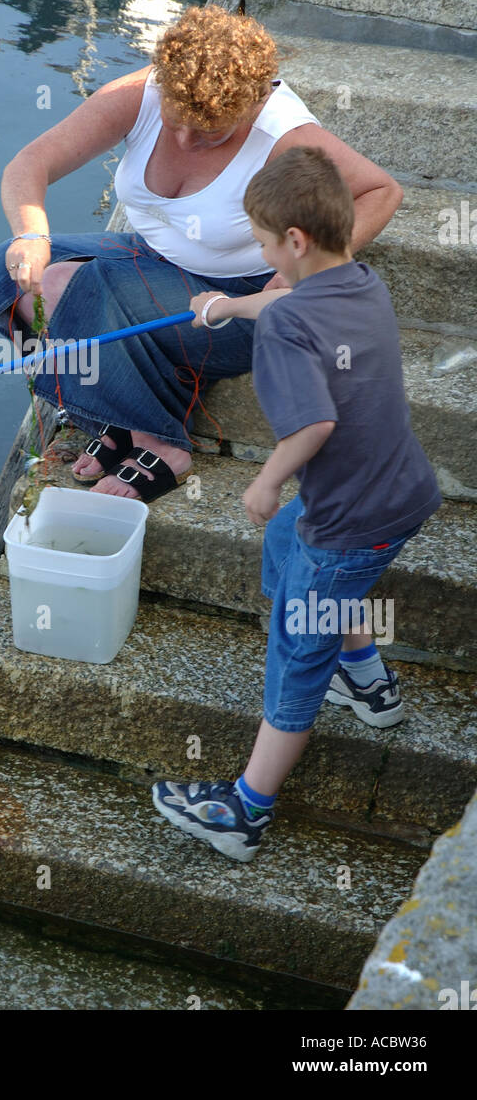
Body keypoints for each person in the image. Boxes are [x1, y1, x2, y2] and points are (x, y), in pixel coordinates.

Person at [0, 4, 403, 504]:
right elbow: (30, 163)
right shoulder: (140, 93)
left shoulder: (286, 135)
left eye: (211, 132)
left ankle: (160, 441)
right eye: (176, 121)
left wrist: (308, 269)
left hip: (240, 299)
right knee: (7, 269)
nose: (187, 139)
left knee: (72, 285)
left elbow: (381, 191)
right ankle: (116, 412)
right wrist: (30, 235)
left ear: (251, 105)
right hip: (152, 259)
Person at [151, 147, 442, 863]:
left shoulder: (287, 331)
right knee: (286, 544)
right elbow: (288, 299)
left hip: (350, 522)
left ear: (294, 242)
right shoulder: (361, 281)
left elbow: (314, 425)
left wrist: (264, 480)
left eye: (259, 239)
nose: (257, 249)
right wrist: (227, 307)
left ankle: (242, 812)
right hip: (403, 494)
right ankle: (367, 680)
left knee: (296, 649)